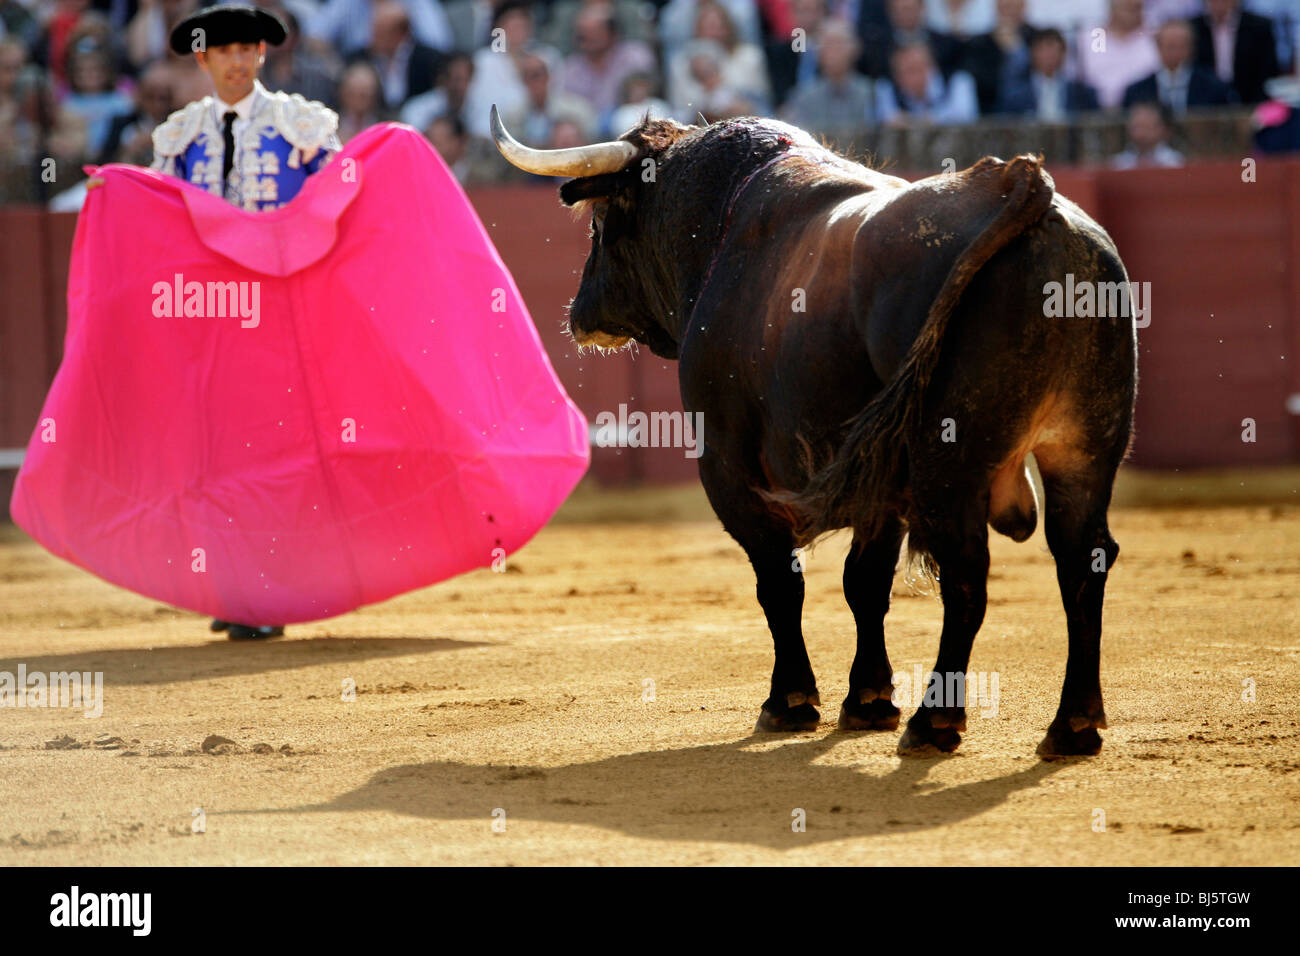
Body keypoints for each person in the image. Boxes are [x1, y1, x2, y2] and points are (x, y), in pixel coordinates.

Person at [115, 3, 341, 639]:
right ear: (203, 60)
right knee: (217, 460)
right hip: (208, 324)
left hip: (283, 318)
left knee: (276, 458)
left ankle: (269, 593)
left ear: (262, 56)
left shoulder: (303, 126)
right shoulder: (180, 136)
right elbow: (153, 223)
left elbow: (339, 204)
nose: (238, 61)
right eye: (226, 52)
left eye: (249, 50)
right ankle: (239, 587)